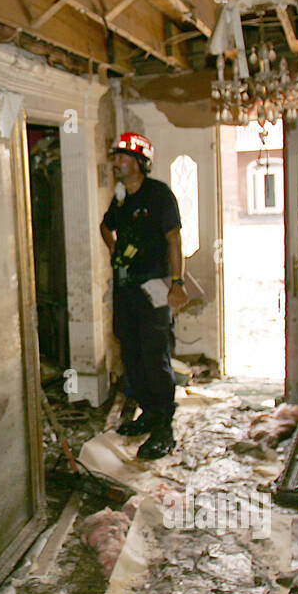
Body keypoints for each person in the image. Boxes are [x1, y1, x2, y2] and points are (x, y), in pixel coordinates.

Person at [98, 132, 186, 459]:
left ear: (139, 162)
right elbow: (105, 227)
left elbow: (174, 239)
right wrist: (115, 252)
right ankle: (147, 412)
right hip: (126, 288)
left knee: (155, 354)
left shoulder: (159, 195)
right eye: (115, 157)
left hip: (154, 287)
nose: (116, 163)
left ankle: (165, 426)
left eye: (122, 157)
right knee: (131, 351)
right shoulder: (121, 198)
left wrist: (176, 282)